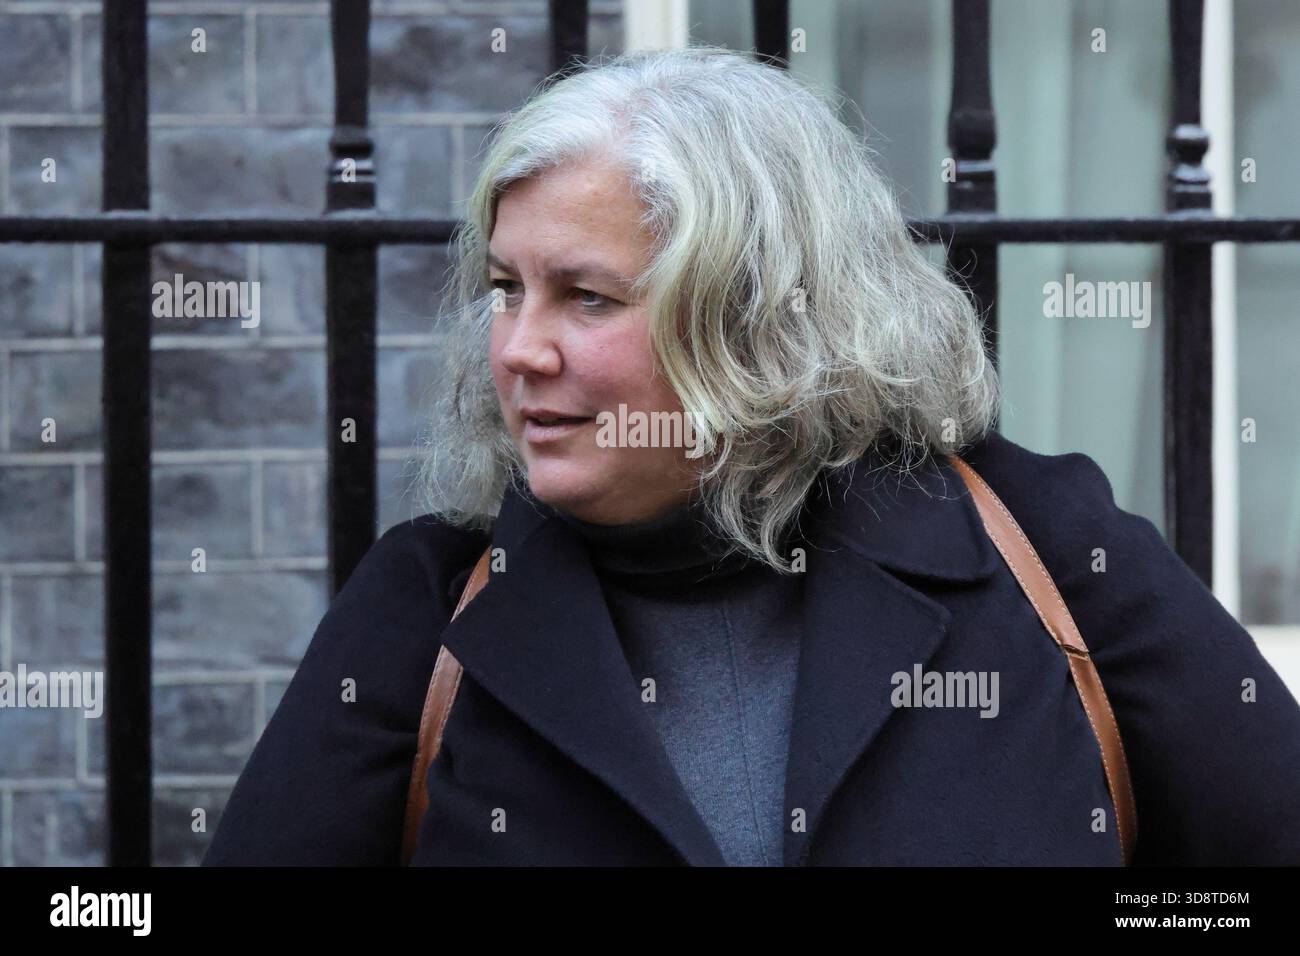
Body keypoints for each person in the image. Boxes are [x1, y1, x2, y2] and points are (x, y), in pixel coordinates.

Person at [202, 44, 1300, 867]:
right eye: (505, 289)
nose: (518, 348)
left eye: (585, 296)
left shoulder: (1044, 552)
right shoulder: (426, 613)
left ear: (761, 320)